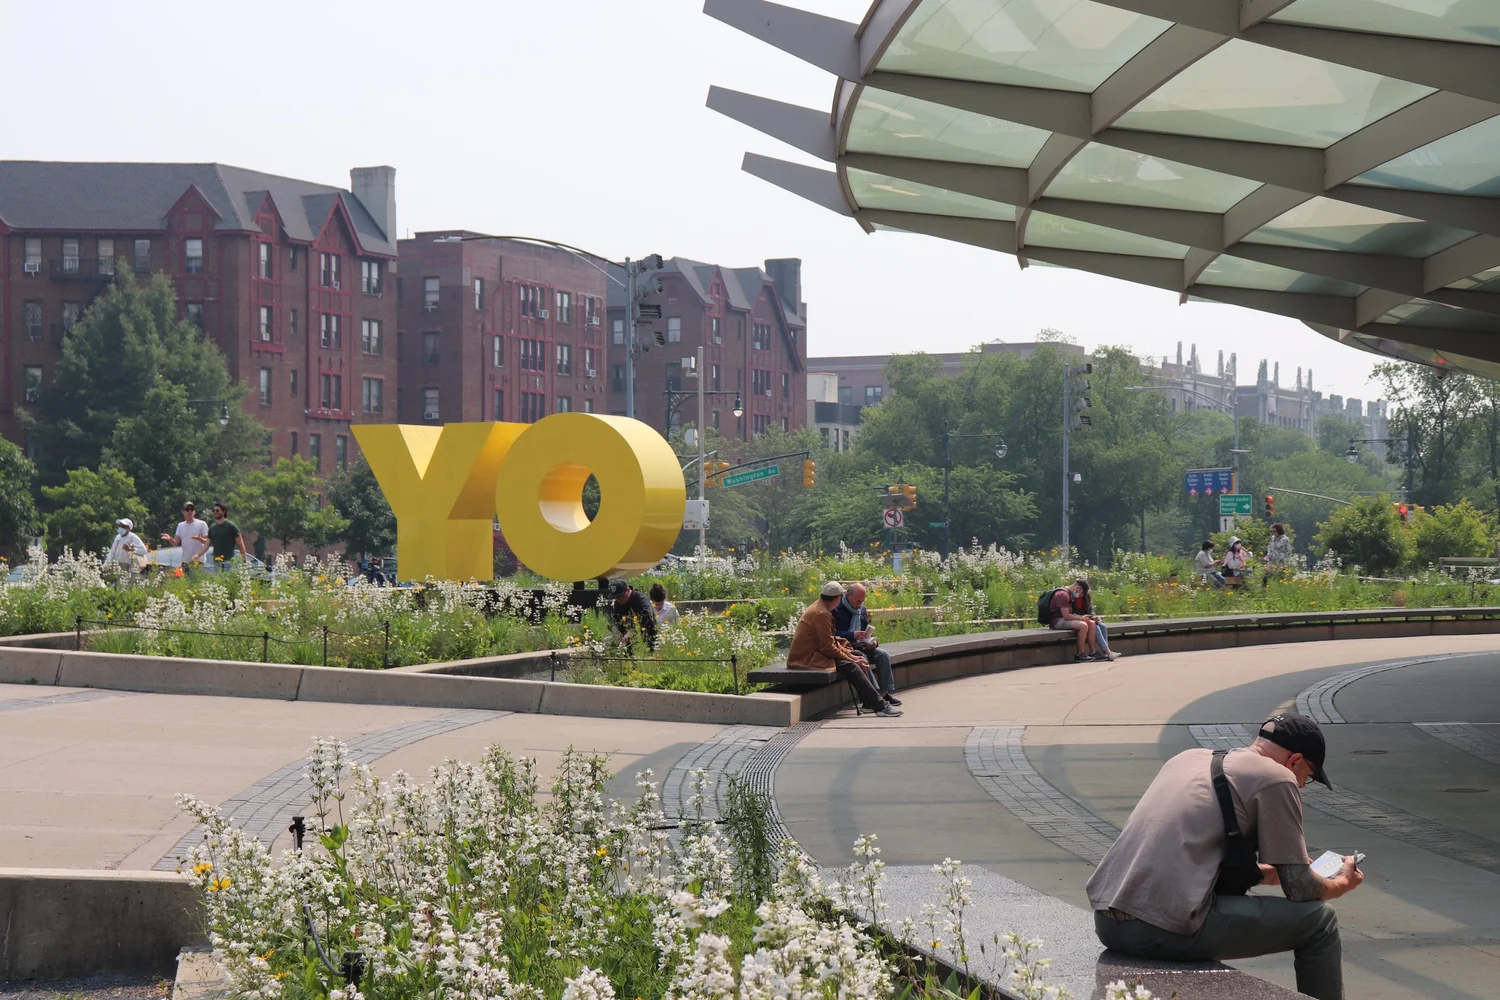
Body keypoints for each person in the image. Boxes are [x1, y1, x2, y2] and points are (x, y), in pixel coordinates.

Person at [1087, 713, 1361, 1000]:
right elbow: (1301, 889)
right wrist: (1341, 882)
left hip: (1107, 924)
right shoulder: (1278, 778)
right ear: (1295, 760)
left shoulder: (1187, 758)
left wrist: (1273, 872)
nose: (1303, 785)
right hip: (1160, 930)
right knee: (1321, 922)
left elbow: (1192, 854)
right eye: (1310, 776)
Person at [788, 582, 901, 717]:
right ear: (837, 598)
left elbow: (830, 642)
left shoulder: (821, 608)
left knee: (857, 655)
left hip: (817, 653)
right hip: (808, 658)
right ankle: (879, 705)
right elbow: (827, 647)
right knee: (852, 666)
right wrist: (851, 659)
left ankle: (870, 701)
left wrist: (852, 655)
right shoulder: (821, 613)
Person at [833, 582, 900, 705]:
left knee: (883, 655)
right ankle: (874, 695)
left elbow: (865, 631)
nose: (860, 605)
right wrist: (852, 634)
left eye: (862, 601)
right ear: (848, 595)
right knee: (862, 658)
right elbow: (832, 633)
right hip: (846, 648)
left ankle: (885, 693)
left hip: (861, 645)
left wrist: (871, 642)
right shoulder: (836, 609)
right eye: (858, 601)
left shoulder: (862, 610)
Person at [1046, 579, 1102, 661]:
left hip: (1065, 619)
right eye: (1081, 593)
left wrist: (1086, 617)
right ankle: (1080, 654)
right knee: (1083, 625)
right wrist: (1081, 618)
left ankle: (1093, 652)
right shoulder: (1062, 594)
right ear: (1078, 588)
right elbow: (1066, 616)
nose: (1080, 596)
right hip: (1058, 621)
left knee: (1091, 623)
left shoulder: (1070, 594)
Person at [1071, 579, 1120, 661]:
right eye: (1082, 591)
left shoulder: (1086, 596)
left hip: (1087, 619)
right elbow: (1071, 613)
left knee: (1102, 626)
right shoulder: (1072, 597)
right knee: (1095, 626)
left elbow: (1091, 610)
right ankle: (1108, 652)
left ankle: (1106, 653)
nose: (1082, 594)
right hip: (1078, 619)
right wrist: (1085, 617)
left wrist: (1095, 617)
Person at [606, 580, 658, 650]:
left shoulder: (641, 600)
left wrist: (632, 631)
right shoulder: (619, 602)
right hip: (625, 643)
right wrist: (614, 629)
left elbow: (647, 617)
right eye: (617, 598)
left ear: (628, 590)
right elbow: (614, 618)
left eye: (621, 597)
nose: (619, 600)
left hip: (646, 641)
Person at [161, 501, 210, 568]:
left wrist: (200, 539)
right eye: (187, 509)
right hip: (185, 561)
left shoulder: (202, 524)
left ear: (194, 512)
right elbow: (175, 543)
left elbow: (207, 542)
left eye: (192, 509)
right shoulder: (180, 525)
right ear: (183, 512)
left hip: (198, 560)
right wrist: (169, 538)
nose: (190, 511)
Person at [206, 501, 249, 571]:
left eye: (217, 510)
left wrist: (244, 559)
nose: (215, 512)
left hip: (228, 562)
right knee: (219, 581)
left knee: (227, 581)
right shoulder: (212, 528)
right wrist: (198, 555)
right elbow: (206, 545)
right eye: (213, 510)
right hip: (216, 562)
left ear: (223, 511)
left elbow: (240, 543)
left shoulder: (231, 526)